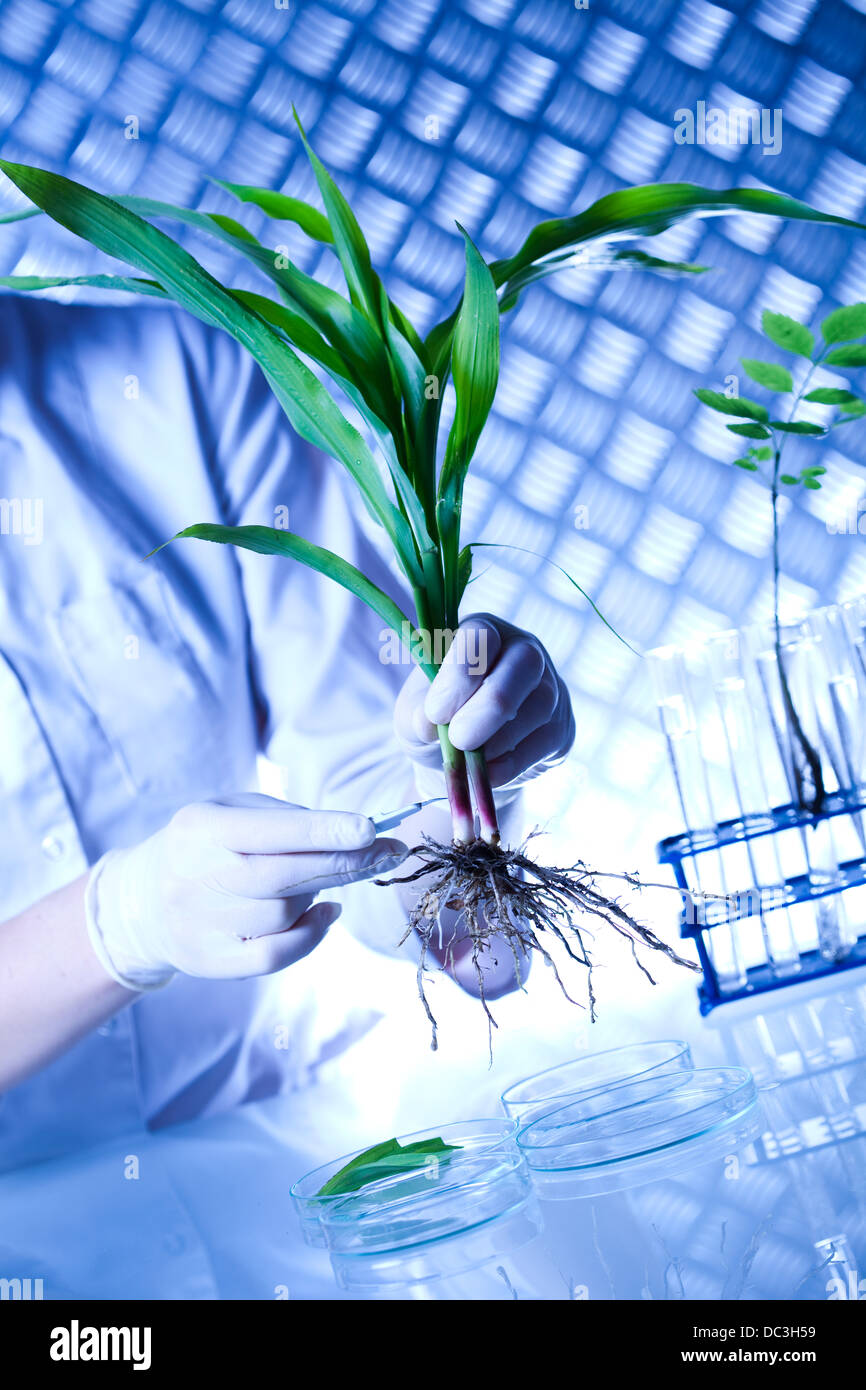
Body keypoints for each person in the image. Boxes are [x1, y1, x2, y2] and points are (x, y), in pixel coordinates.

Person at [0, 293, 575, 1172]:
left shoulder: (175, 376)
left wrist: (455, 779)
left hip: (283, 1155)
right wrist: (117, 924)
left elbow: (371, 784)